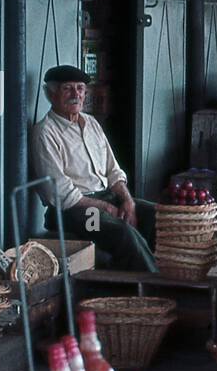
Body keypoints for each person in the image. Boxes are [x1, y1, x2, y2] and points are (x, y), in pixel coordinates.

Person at [33, 65, 157, 271]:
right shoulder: (45, 133)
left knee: (154, 215)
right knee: (123, 232)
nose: (76, 95)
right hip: (74, 213)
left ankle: (149, 279)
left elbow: (113, 170)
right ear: (51, 94)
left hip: (106, 198)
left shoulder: (91, 123)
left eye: (80, 88)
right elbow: (62, 194)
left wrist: (127, 201)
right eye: (67, 89)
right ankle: (155, 287)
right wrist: (108, 209)